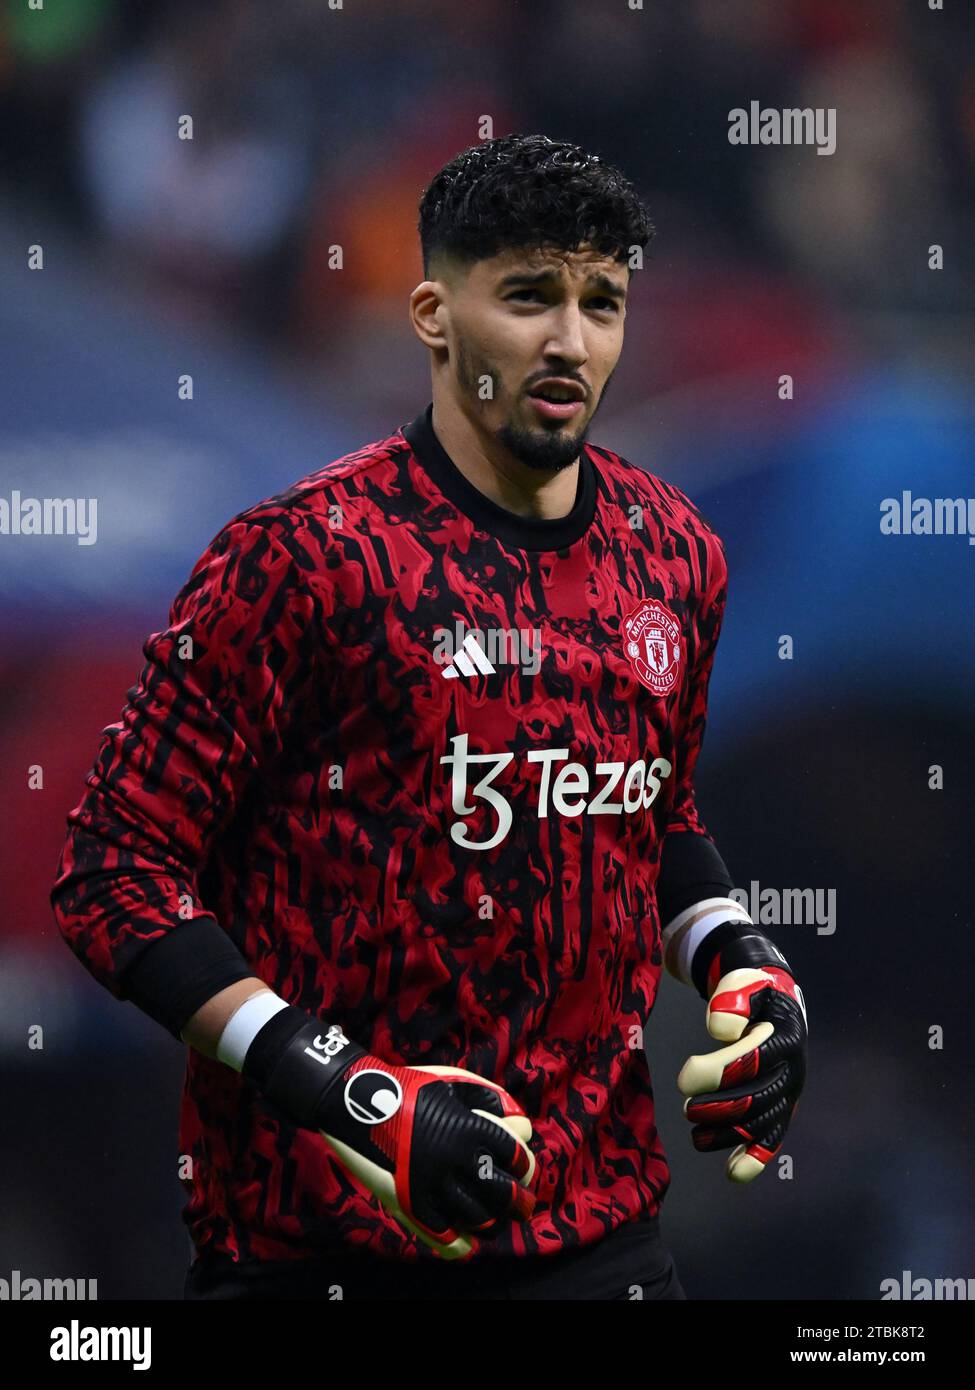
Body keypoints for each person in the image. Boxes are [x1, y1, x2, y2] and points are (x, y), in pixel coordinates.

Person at [50, 133, 807, 1301]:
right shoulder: (305, 558)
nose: (569, 338)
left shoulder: (675, 552)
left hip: (605, 1241)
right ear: (433, 314)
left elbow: (650, 818)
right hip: (325, 1253)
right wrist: (346, 1086)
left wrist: (737, 958)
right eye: (527, 296)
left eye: (602, 300)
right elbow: (113, 867)